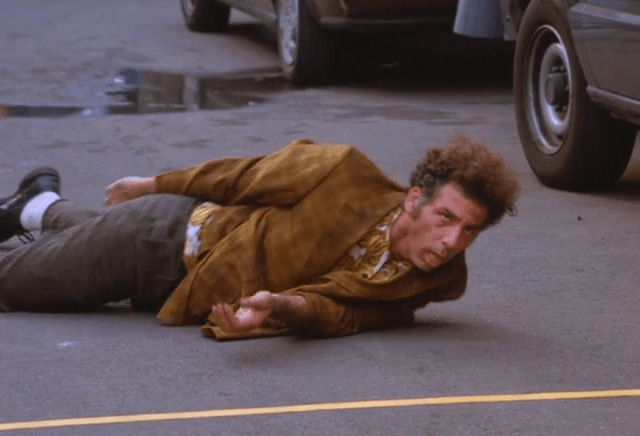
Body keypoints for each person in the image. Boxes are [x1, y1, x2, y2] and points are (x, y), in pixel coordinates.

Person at [0, 136, 518, 340]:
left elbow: (348, 314)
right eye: (446, 217)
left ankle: (36, 205)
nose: (452, 241)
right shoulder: (344, 173)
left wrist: (276, 308)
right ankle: (39, 213)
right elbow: (244, 177)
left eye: (469, 230)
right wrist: (154, 184)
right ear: (414, 199)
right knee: (14, 284)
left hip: (180, 285)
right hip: (161, 238)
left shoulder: (437, 279)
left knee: (81, 242)